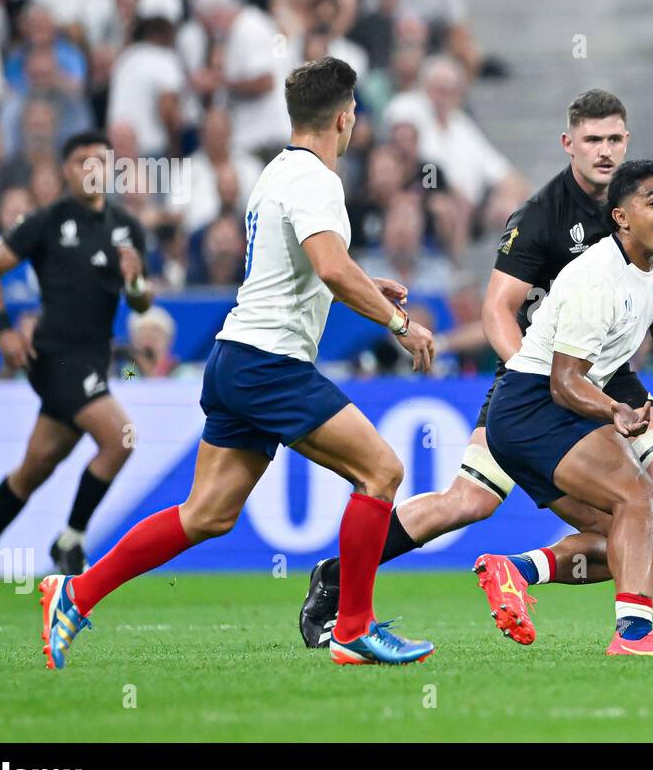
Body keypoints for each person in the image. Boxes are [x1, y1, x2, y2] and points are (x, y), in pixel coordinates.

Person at [300, 90, 653, 650]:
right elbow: (496, 310)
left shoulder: (648, 214)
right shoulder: (540, 218)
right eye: (592, 140)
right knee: (472, 502)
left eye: (614, 139)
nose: (604, 151)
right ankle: (339, 576)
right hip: (546, 380)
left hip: (606, 374)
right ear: (569, 145)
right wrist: (530, 378)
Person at [35, 57, 437, 670]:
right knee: (381, 473)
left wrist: (365, 283)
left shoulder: (274, 172)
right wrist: (400, 325)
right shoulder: (318, 181)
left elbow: (306, 268)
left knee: (208, 514)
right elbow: (328, 266)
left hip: (235, 358)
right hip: (269, 363)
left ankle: (77, 591)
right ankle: (353, 627)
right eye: (355, 113)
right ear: (345, 116)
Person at [486, 159, 653, 655]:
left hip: (546, 407)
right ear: (620, 217)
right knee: (640, 497)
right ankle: (635, 635)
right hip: (531, 406)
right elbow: (565, 381)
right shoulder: (594, 279)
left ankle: (516, 570)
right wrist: (614, 411)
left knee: (628, 536)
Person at [0, 132, 151, 605]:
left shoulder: (127, 227)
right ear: (66, 170)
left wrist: (136, 280)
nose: (90, 168)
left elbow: (142, 305)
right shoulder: (45, 222)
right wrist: (2, 328)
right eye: (81, 160)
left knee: (36, 466)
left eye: (98, 161)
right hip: (54, 356)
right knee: (121, 438)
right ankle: (70, 541)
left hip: (94, 360)